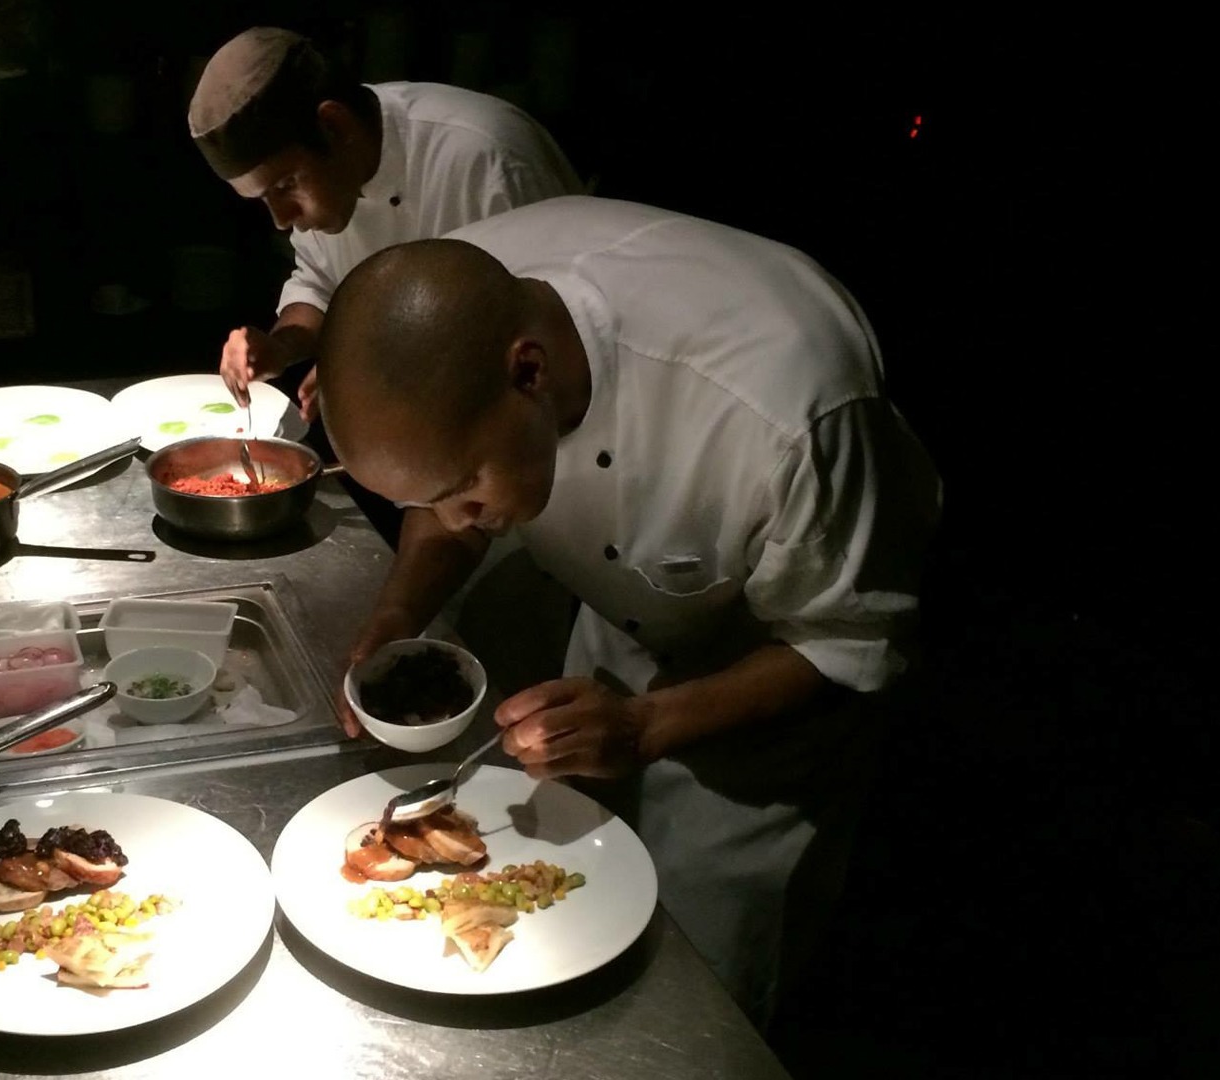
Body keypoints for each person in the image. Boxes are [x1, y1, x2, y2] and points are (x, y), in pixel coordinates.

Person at [314, 195, 943, 1026]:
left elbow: (843, 643)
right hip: (630, 609)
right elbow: (438, 502)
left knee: (702, 976)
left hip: (775, 667)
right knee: (572, 903)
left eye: (464, 488)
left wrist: (647, 726)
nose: (455, 519)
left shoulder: (790, 410)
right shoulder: (445, 309)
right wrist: (398, 617)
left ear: (529, 374)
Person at [187, 26, 582, 542]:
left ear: (335, 125)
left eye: (285, 186)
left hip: (544, 471)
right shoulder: (330, 177)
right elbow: (319, 284)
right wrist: (282, 346)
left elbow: (555, 343)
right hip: (435, 479)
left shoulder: (485, 159)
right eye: (263, 200)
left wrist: (360, 373)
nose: (282, 219)